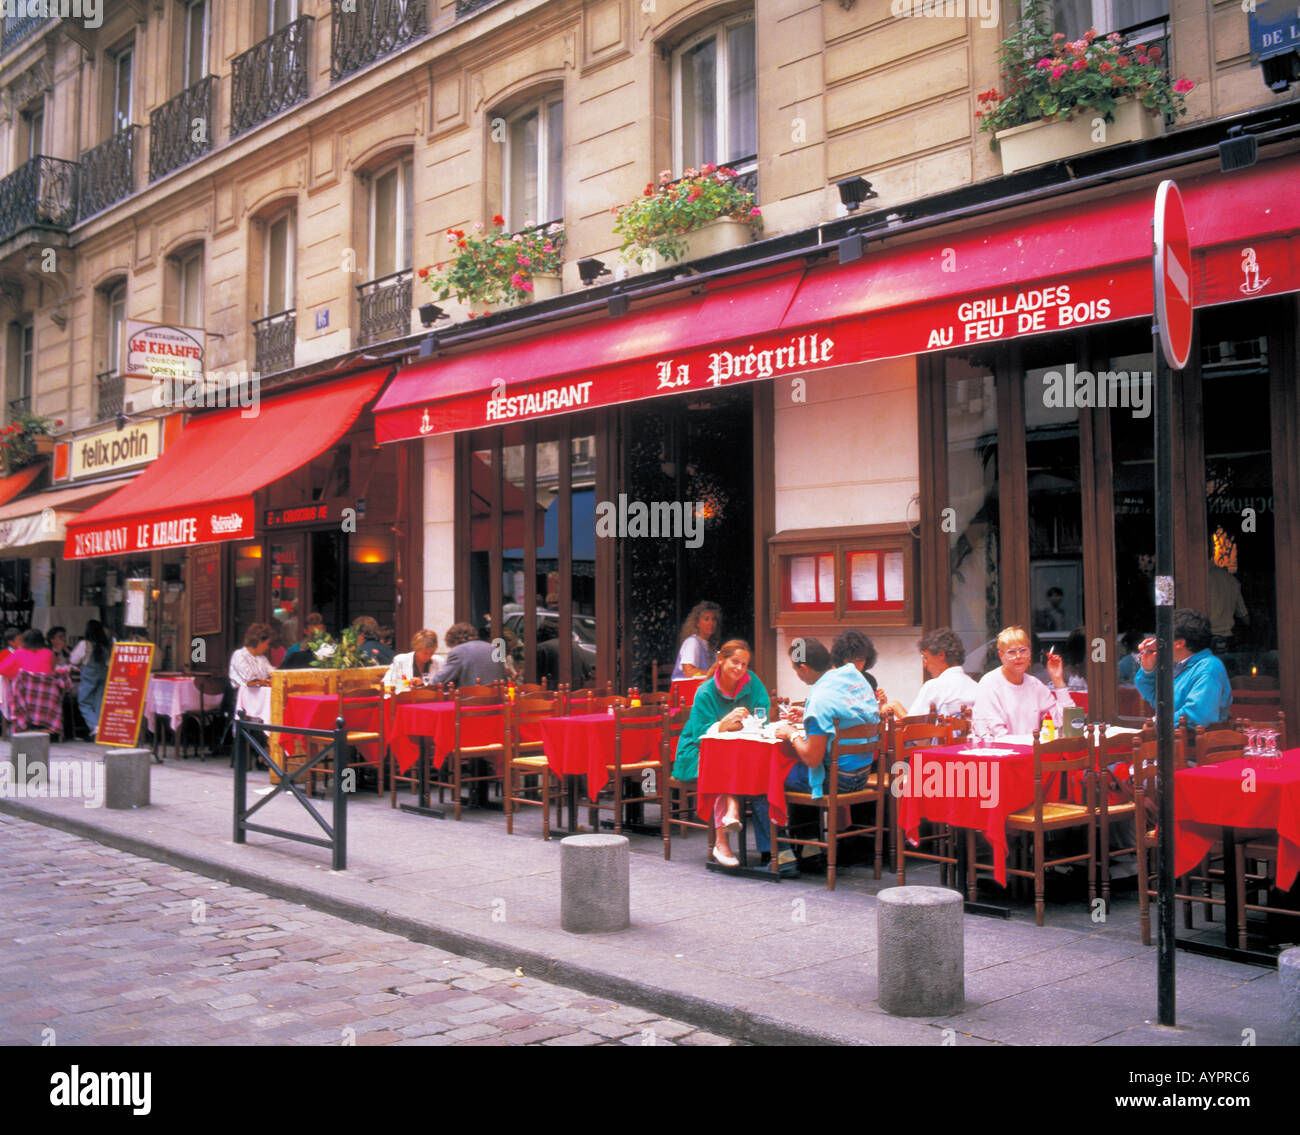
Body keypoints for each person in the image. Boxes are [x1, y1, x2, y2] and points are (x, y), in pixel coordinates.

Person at [670, 638, 771, 868]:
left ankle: (733, 812)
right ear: (721, 660)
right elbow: (699, 735)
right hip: (695, 752)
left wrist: (745, 724)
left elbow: (763, 716)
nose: (740, 668)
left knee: (731, 762)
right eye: (735, 662)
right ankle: (722, 838)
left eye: (745, 664)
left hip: (739, 753)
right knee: (719, 764)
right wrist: (724, 724)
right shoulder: (705, 692)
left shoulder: (752, 683)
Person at [1134, 608, 1233, 729]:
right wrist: (1147, 669)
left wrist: (1157, 724)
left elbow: (1197, 715)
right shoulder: (1177, 665)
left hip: (1196, 744)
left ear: (1179, 643)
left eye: (1161, 637)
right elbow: (1157, 699)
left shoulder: (1208, 667)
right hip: (1176, 740)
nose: (1156, 642)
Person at [971, 626, 1073, 739]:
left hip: (1033, 751)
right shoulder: (989, 684)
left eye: (1023, 650)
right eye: (1012, 652)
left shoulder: (1035, 685)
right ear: (1001, 655)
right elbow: (997, 736)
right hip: (1001, 752)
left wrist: (1057, 680)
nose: (1018, 656)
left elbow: (1065, 723)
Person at [883, 626, 980, 720]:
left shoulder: (935, 686)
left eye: (926, 658)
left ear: (941, 655)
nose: (925, 665)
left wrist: (895, 707)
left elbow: (914, 729)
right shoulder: (975, 687)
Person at [69, 619, 113, 739]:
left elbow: (74, 660)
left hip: (89, 677)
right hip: (103, 675)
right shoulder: (107, 645)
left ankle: (95, 727)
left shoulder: (85, 644)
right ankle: (101, 727)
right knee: (99, 702)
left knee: (84, 702)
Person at [430, 622, 507, 687]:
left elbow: (439, 681)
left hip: (469, 701)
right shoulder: (493, 649)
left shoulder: (458, 652)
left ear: (454, 641)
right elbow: (504, 678)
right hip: (497, 701)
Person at [229, 623, 276, 721]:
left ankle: (265, 732)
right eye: (267, 644)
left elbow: (272, 672)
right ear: (259, 641)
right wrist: (266, 681)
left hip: (258, 696)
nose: (267, 647)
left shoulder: (262, 658)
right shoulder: (239, 655)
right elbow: (250, 678)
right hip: (240, 699)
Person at [671, 601, 721, 681]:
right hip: (684, 689)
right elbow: (689, 672)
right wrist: (712, 674)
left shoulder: (711, 646)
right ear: (697, 623)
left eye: (714, 619)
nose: (711, 623)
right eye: (706, 619)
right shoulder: (692, 642)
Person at [1206, 558, 1248, 649]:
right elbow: (1243, 614)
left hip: (1207, 635)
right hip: (1227, 636)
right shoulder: (1232, 580)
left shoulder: (1200, 578)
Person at [831, 628, 881, 693]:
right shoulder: (833, 681)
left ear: (867, 660)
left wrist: (879, 702)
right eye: (850, 661)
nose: (855, 665)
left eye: (860, 660)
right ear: (841, 660)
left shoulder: (869, 680)